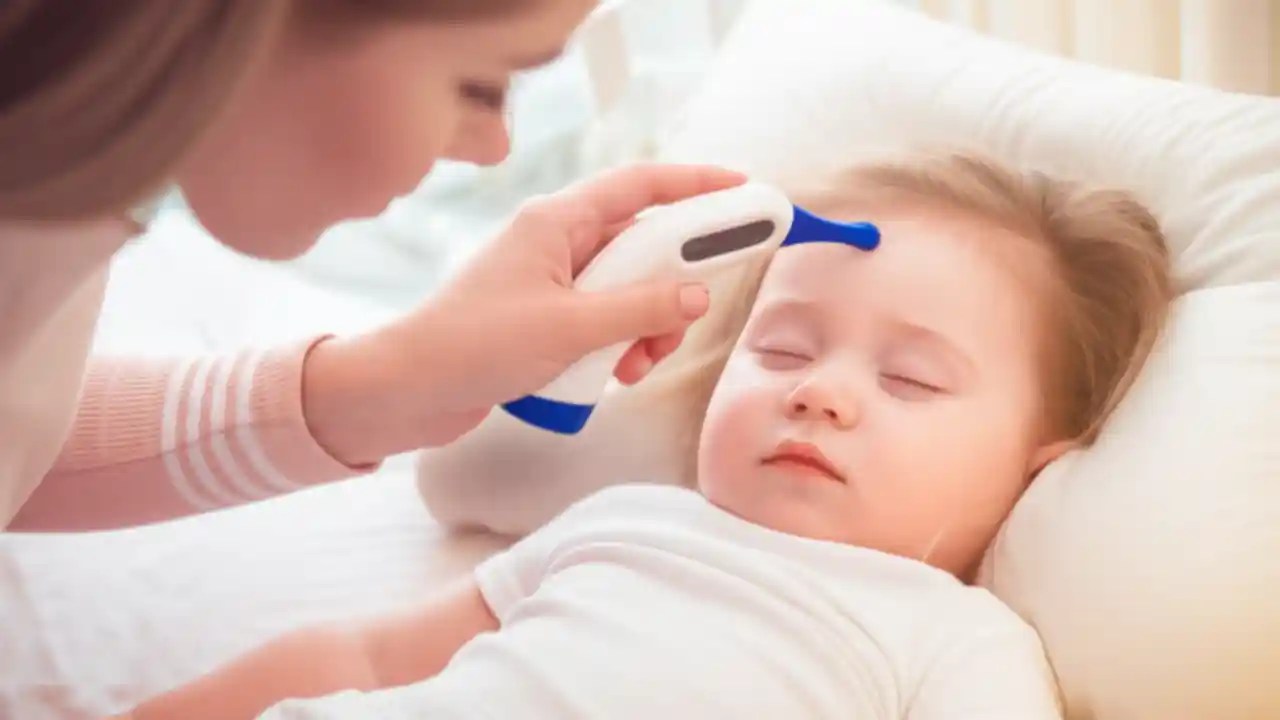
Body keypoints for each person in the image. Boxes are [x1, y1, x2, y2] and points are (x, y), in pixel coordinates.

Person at [114, 151, 1173, 719]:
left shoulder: (948, 637)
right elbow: (365, 652)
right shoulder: (625, 521)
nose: (821, 396)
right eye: (783, 352)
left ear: (1037, 466)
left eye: (908, 380)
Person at [0, 0, 745, 530]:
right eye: (481, 87)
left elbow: (19, 446)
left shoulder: (60, 218)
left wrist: (386, 386)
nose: (494, 148)